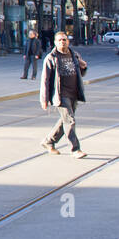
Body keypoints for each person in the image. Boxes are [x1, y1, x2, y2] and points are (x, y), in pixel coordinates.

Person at [41, 30, 87, 159]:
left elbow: (81, 73)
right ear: (55, 42)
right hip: (60, 94)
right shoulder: (51, 58)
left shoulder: (74, 55)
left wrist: (83, 67)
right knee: (70, 121)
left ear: (68, 41)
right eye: (60, 40)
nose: (63, 42)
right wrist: (44, 99)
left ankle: (49, 141)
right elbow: (45, 80)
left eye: (64, 39)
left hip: (74, 92)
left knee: (65, 121)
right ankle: (75, 149)